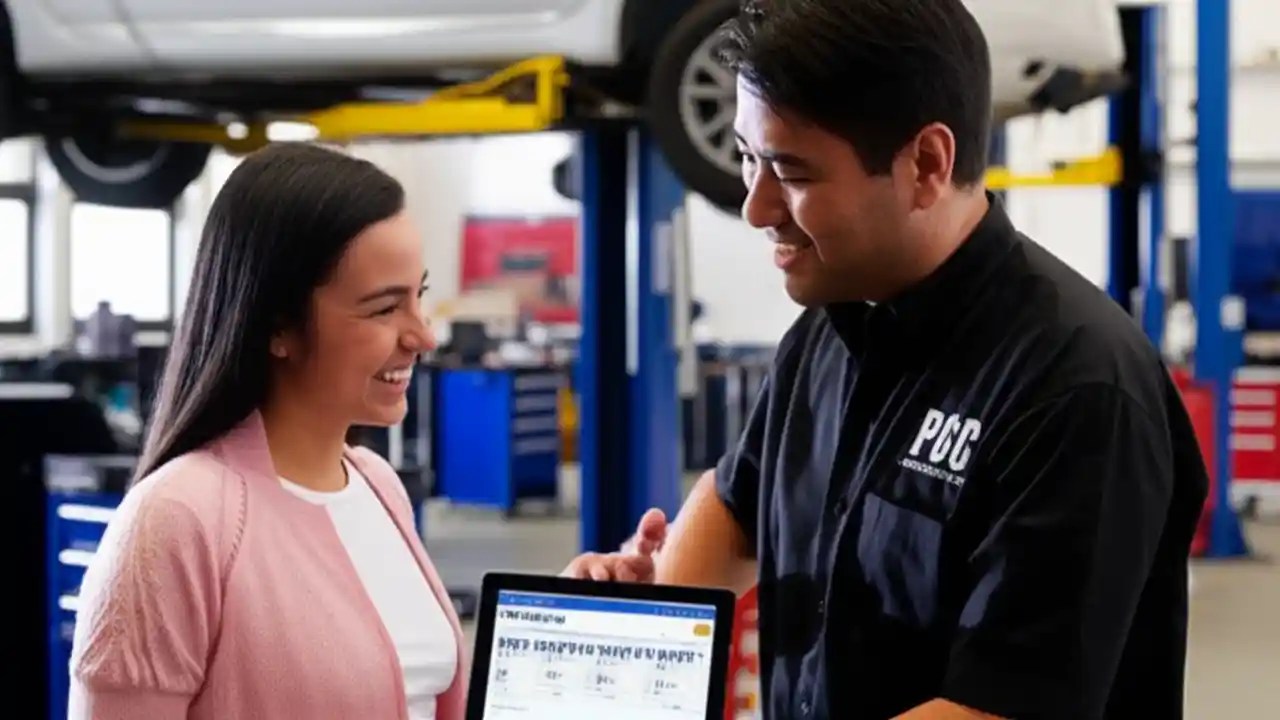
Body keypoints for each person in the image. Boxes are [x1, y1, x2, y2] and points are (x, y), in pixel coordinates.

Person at [565, 1, 1209, 719]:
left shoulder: (1076, 387)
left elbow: (1001, 706)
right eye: (748, 158)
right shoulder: (828, 332)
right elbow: (738, 504)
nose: (754, 206)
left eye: (791, 172)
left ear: (926, 164)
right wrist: (649, 635)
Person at [69, 143, 468, 719]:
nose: (423, 336)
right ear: (278, 327)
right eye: (384, 309)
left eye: (418, 298)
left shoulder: (377, 485)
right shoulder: (178, 517)